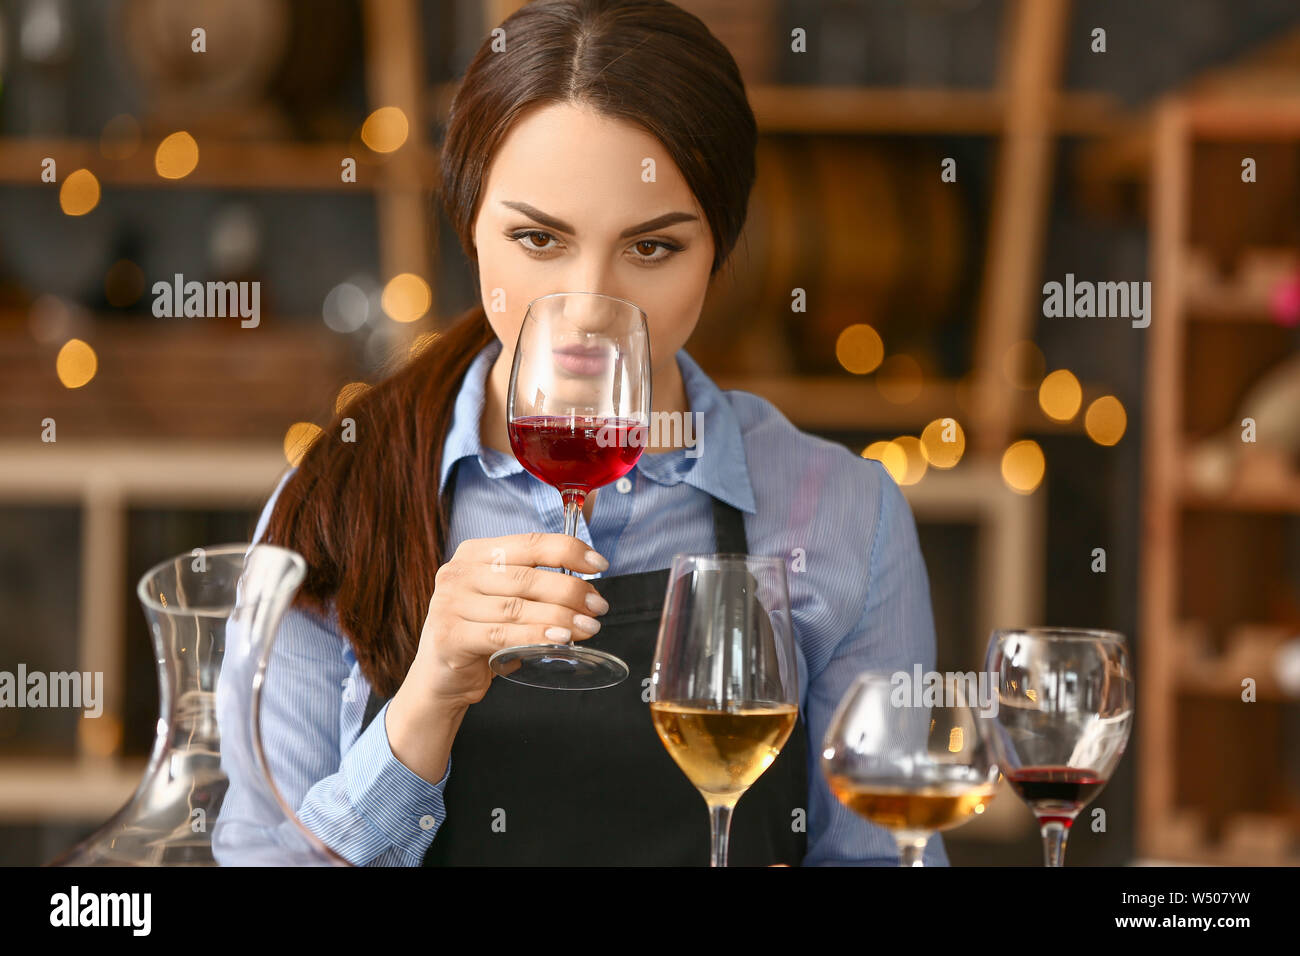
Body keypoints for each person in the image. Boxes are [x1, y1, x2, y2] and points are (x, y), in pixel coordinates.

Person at [217, 0, 947, 867]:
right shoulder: (333, 503)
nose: (590, 314)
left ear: (721, 247)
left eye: (651, 249)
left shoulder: (842, 514)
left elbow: (885, 857)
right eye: (537, 239)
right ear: (470, 229)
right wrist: (427, 702)